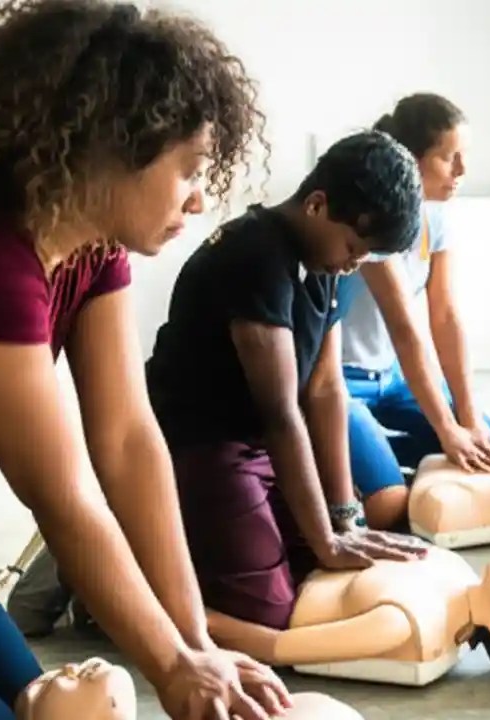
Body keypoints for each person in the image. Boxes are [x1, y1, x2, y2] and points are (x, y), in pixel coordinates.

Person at [0, 1, 294, 718]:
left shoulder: (91, 253)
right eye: (188, 170)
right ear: (109, 145)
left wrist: (193, 640)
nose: (200, 197)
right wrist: (171, 667)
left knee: (35, 696)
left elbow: (127, 443)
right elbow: (62, 494)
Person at [143, 130, 430, 640]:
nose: (352, 264)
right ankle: (125, 591)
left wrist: (345, 522)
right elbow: (280, 411)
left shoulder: (325, 265)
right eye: (352, 247)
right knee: (268, 612)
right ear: (318, 205)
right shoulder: (255, 253)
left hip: (262, 447)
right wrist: (325, 536)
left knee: (324, 566)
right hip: (204, 443)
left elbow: (325, 392)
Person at [337, 93, 490, 530]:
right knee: (389, 510)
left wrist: (468, 418)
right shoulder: (375, 217)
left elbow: (445, 317)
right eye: (448, 158)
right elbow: (405, 327)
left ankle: (364, 456)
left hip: (393, 378)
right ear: (411, 161)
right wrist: (448, 430)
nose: (461, 171)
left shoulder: (437, 218)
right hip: (342, 382)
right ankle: (341, 460)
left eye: (464, 157)